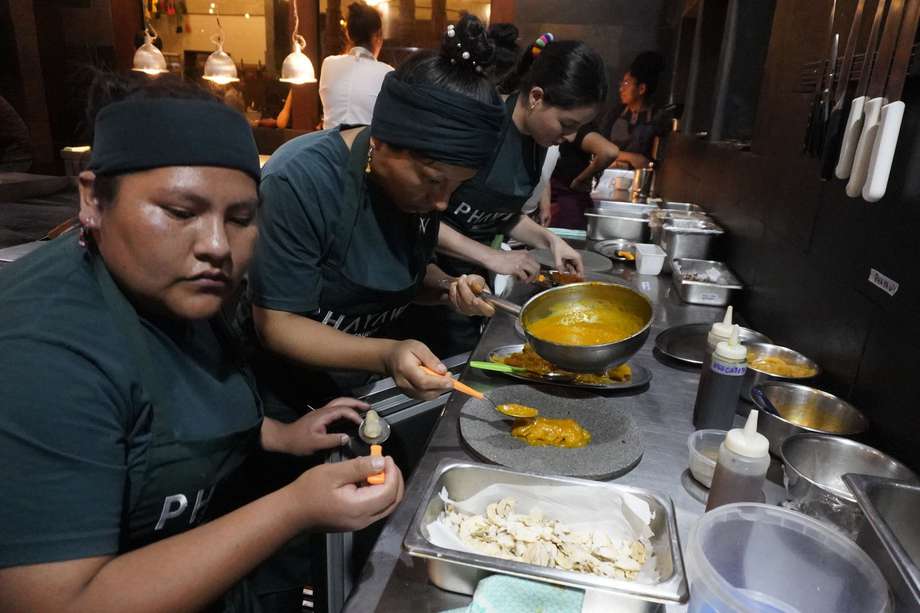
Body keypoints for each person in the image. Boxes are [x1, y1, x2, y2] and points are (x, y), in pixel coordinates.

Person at [0, 74, 404, 613]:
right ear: (93, 200)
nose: (217, 246)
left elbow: (173, 400)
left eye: (240, 218)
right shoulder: (44, 354)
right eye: (180, 213)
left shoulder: (180, 288)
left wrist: (279, 435)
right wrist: (294, 508)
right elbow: (60, 602)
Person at [244, 14, 503, 421]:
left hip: (354, 388)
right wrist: (387, 354)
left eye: (456, 187)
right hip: (281, 403)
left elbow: (401, 272)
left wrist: (449, 286)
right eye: (434, 181)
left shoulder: (416, 196)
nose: (442, 203)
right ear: (381, 141)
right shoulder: (301, 179)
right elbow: (277, 323)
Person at [410, 33, 608, 356]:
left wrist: (549, 240)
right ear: (536, 97)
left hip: (473, 284)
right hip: (426, 278)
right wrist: (492, 256)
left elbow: (502, 214)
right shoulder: (482, 127)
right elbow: (423, 215)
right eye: (566, 124)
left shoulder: (540, 144)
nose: (571, 137)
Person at [549, 51, 666, 229]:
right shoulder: (614, 114)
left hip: (581, 197)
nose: (621, 88)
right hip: (582, 193)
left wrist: (582, 179)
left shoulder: (655, 118)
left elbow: (613, 153)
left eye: (626, 83)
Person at [318, 1, 393, 129]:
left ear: (347, 33)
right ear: (378, 35)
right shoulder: (388, 73)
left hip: (329, 146)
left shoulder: (328, 64)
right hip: (365, 148)